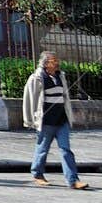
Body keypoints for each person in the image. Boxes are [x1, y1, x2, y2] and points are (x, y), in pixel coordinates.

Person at [23, 51, 88, 189]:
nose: (57, 63)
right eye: (53, 61)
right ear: (46, 64)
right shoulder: (37, 78)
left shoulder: (60, 76)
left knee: (66, 150)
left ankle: (73, 180)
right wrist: (30, 119)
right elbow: (30, 99)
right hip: (46, 121)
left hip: (61, 120)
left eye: (56, 60)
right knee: (42, 149)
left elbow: (65, 98)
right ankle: (37, 174)